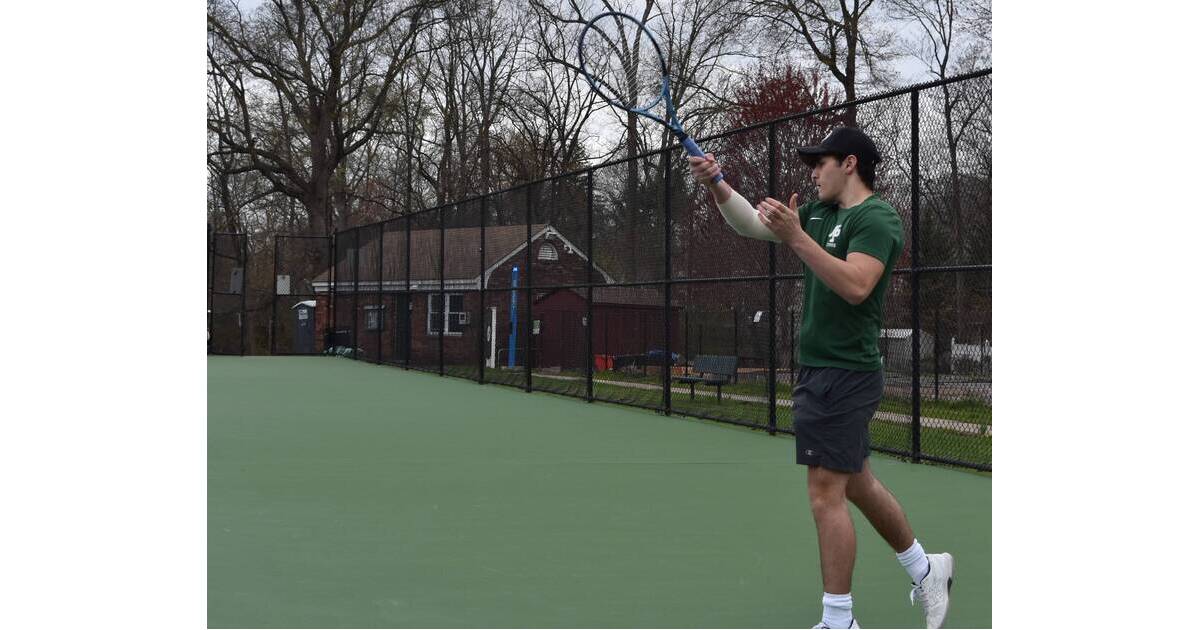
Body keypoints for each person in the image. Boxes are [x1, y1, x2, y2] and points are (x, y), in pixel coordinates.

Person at [687, 127, 953, 629]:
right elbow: (751, 225)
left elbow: (856, 285)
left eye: (819, 162)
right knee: (856, 484)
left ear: (849, 163)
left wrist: (798, 237)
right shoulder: (819, 214)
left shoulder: (878, 218)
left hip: (846, 372)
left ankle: (839, 622)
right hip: (819, 370)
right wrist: (717, 182)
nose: (812, 172)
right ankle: (926, 568)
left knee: (824, 490)